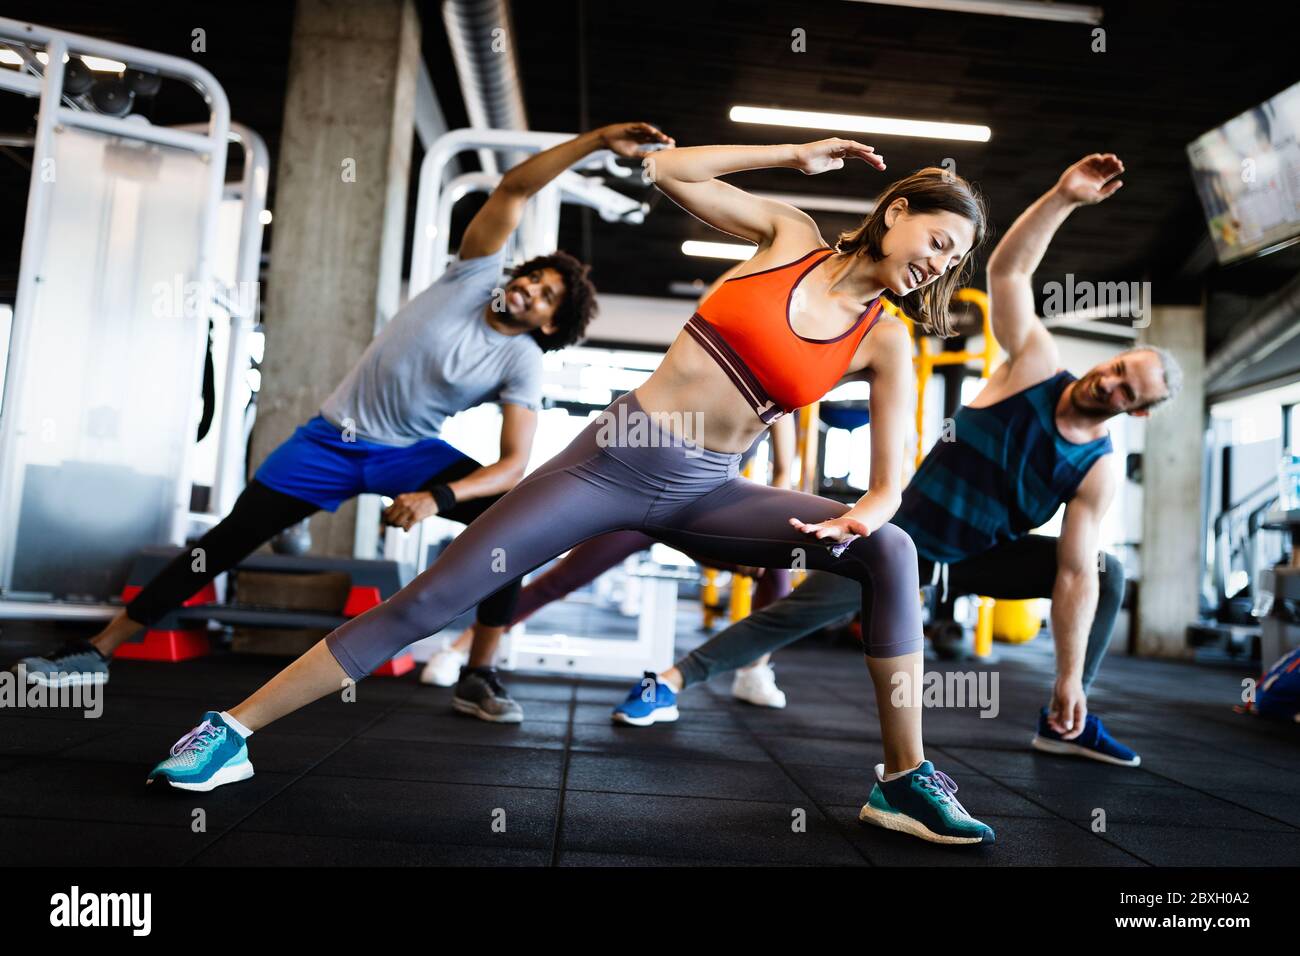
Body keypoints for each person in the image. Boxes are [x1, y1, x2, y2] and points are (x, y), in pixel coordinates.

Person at [147, 135, 997, 846]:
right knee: (435, 598)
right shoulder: (789, 234)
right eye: (937, 241)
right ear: (895, 213)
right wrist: (796, 153)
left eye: (954, 261)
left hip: (708, 492)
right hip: (610, 462)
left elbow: (890, 484)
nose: (939, 265)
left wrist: (860, 516)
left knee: (893, 547)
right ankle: (232, 732)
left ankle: (902, 778)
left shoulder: (885, 343)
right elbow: (672, 170)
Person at [15, 123, 672, 729]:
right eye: (531, 276)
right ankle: (99, 649)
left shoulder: (523, 362)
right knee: (226, 540)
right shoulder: (471, 279)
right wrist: (599, 139)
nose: (529, 288)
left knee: (513, 527)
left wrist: (435, 497)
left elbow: (512, 466)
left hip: (408, 455)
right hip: (329, 442)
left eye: (547, 295)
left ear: (551, 324)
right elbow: (517, 186)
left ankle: (479, 673)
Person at [626, 154, 1181, 769]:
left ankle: (1066, 719)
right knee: (794, 615)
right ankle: (667, 683)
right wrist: (1063, 197)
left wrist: (1068, 676)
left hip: (981, 559)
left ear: (1138, 413)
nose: (1111, 383)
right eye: (1119, 368)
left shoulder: (1097, 467)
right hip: (908, 537)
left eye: (1129, 391)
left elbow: (1074, 573)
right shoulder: (1036, 367)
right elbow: (1011, 272)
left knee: (1107, 571)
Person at [422, 262, 799, 709]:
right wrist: (765, 260)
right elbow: (717, 300)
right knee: (561, 578)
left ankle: (753, 670)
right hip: (636, 501)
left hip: (699, 509)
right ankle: (460, 648)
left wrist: (771, 529)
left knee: (780, 565)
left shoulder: (777, 388)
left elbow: (784, 471)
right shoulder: (700, 362)